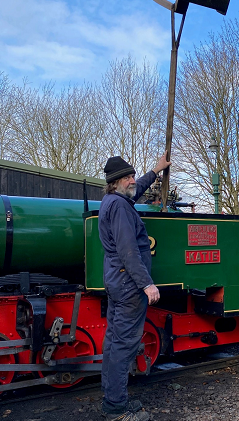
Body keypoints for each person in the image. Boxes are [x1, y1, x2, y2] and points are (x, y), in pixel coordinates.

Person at [98, 155, 169, 421]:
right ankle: (116, 409)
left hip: (117, 282)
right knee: (124, 345)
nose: (132, 180)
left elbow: (135, 190)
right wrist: (147, 284)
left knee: (113, 342)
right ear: (116, 182)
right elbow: (129, 251)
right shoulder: (119, 207)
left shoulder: (113, 200)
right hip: (129, 285)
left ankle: (112, 398)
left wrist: (155, 171)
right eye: (128, 177)